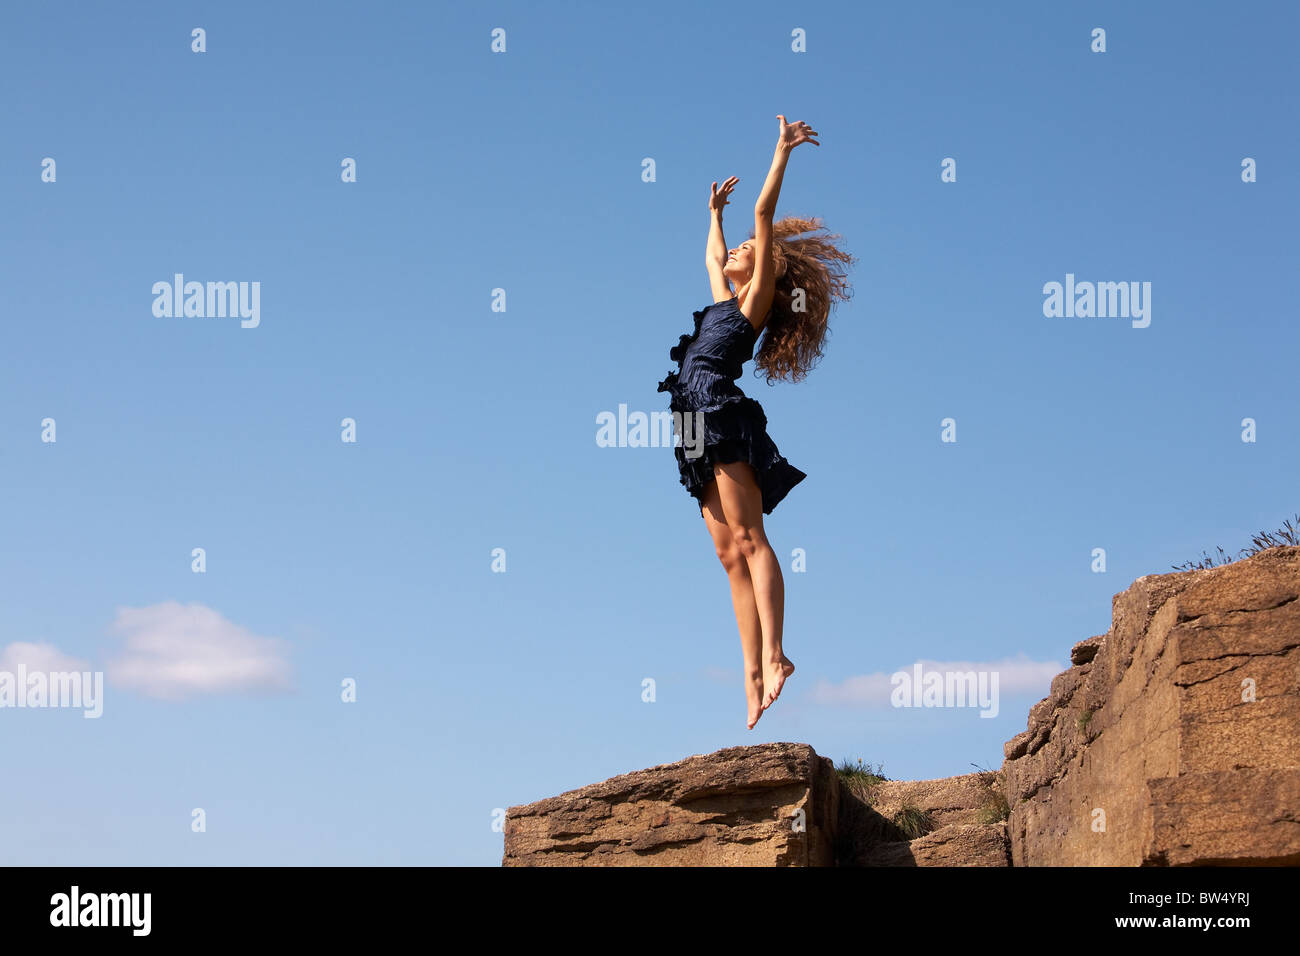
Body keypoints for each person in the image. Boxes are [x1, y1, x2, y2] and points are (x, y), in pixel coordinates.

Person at [657, 115, 855, 729]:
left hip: (718, 408)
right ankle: (748, 674)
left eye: (748, 249)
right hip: (688, 421)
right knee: (725, 556)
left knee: (750, 540)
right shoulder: (722, 299)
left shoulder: (756, 299)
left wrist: (780, 152)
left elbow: (765, 219)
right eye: (738, 250)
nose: (740, 250)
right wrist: (714, 216)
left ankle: (776, 654)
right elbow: (716, 254)